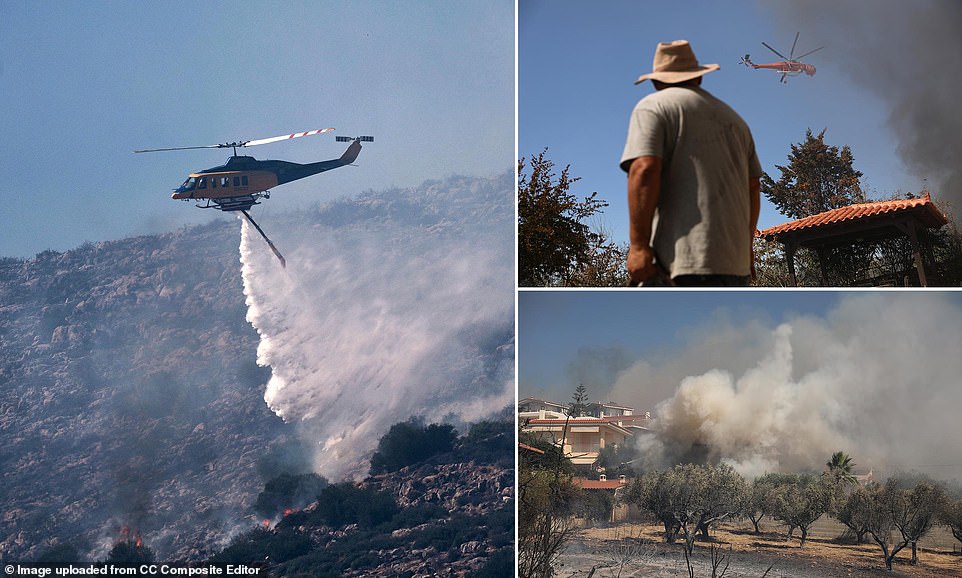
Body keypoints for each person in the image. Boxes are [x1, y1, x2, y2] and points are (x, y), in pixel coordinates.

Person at [620, 40, 762, 286]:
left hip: (680, 264)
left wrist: (639, 247)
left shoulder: (653, 106)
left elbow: (644, 169)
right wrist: (747, 249)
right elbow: (753, 187)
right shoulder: (737, 122)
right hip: (736, 267)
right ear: (699, 78)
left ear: (655, 81)